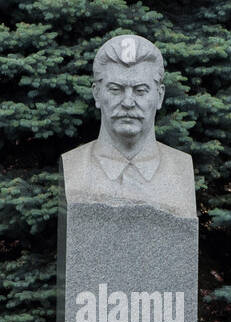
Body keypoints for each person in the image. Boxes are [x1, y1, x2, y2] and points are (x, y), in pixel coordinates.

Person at [61, 34, 195, 218]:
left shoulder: (181, 169)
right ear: (97, 94)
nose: (128, 102)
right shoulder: (74, 168)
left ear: (160, 96)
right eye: (115, 89)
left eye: (141, 91)